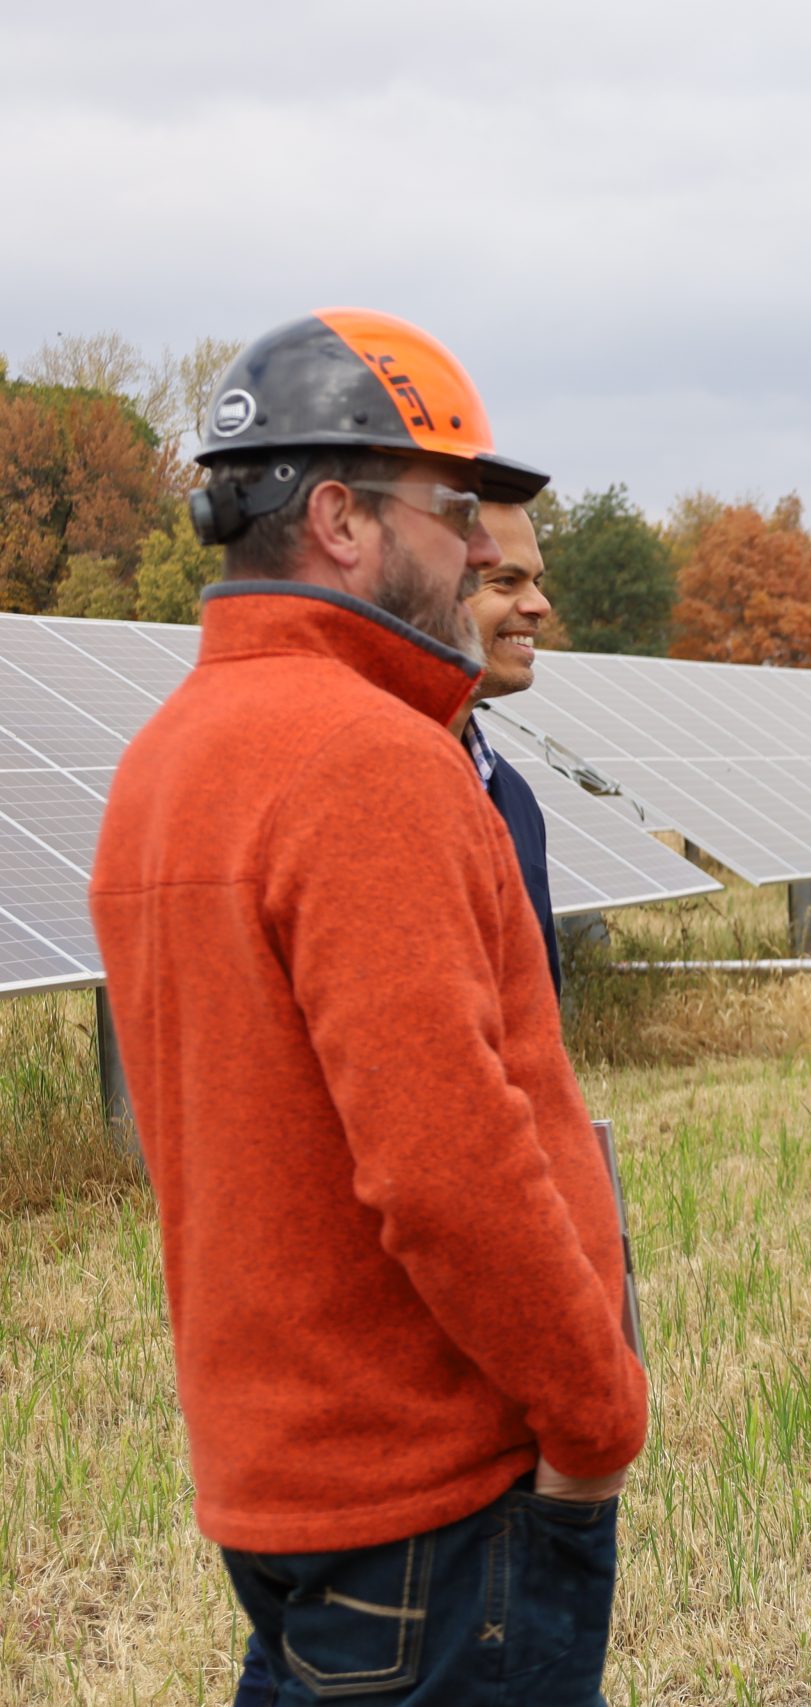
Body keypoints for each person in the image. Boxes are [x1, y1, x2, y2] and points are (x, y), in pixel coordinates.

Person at [89, 309, 646, 1705]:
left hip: (286, 1482)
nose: (476, 549)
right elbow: (446, 1163)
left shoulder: (168, 756)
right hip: (435, 1497)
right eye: (453, 508)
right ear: (340, 516)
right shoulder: (365, 758)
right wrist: (594, 1409)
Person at [453, 502, 563, 990]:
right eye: (505, 581)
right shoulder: (339, 790)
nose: (540, 604)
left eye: (536, 581)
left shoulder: (515, 801)